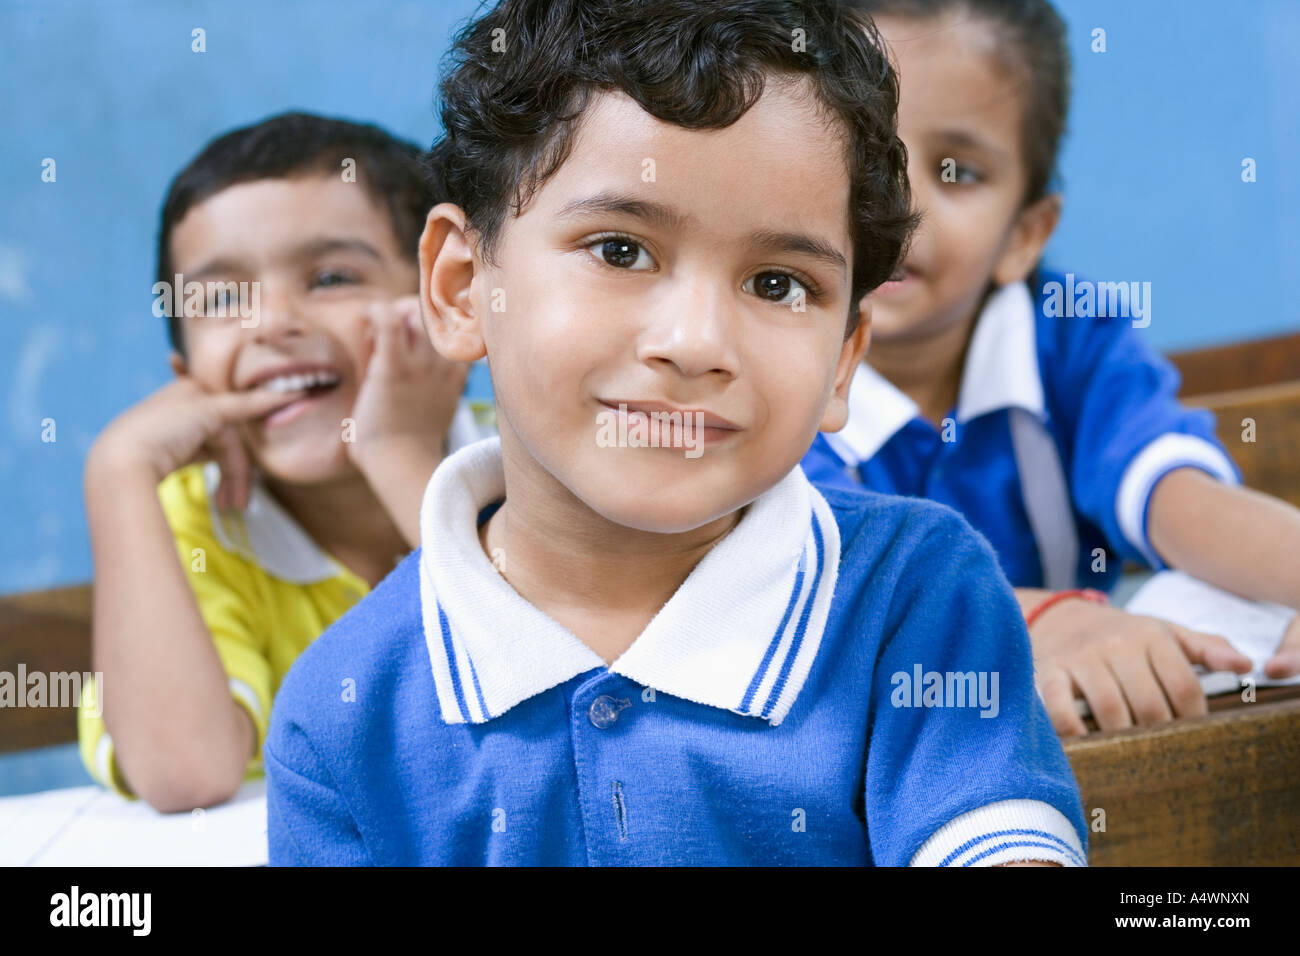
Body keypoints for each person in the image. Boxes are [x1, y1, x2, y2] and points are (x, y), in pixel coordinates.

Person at [265, 0, 1088, 867]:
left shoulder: (916, 598)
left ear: (844, 358)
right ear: (465, 287)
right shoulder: (341, 713)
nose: (696, 342)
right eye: (620, 250)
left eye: (777, 283)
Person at [804, 0, 1300, 736]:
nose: (901, 205)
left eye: (958, 171)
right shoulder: (763, 360)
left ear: (1024, 235)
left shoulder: (1067, 334)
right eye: (865, 158)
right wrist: (1042, 619)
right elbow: (831, 573)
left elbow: (1174, 494)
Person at [78, 113, 485, 810]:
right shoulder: (199, 530)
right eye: (224, 299)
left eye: (330, 277)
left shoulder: (531, 465)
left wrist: (397, 454)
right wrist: (117, 473)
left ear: (445, 307)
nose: (272, 323)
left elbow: (560, 656)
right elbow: (185, 773)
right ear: (186, 377)